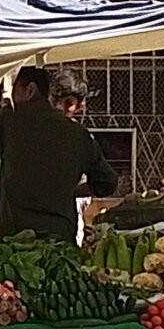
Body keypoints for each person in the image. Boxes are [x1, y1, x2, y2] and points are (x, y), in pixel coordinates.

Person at [0, 66, 118, 242]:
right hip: (58, 238)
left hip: (11, 236)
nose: (11, 98)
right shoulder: (78, 134)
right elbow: (108, 183)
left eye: (15, 91)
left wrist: (14, 187)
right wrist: (66, 190)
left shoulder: (8, 119)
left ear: (31, 90)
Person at [50, 69, 112, 245]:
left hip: (65, 219)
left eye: (68, 103)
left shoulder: (78, 136)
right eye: (58, 101)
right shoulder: (27, 130)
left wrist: (68, 191)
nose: (60, 108)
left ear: (80, 106)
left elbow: (105, 181)